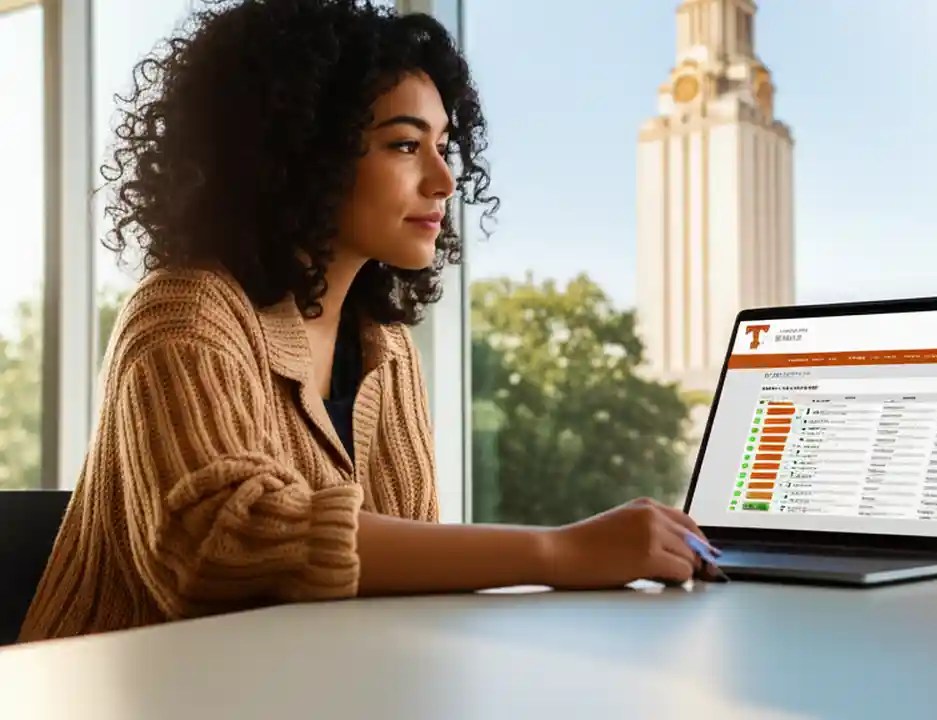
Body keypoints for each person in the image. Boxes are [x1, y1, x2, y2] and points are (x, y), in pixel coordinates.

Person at [19, 0, 721, 643]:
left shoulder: (384, 347)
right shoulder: (185, 313)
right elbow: (221, 545)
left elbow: (399, 571)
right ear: (300, 153)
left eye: (445, 146)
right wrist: (561, 550)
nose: (444, 182)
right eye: (405, 145)